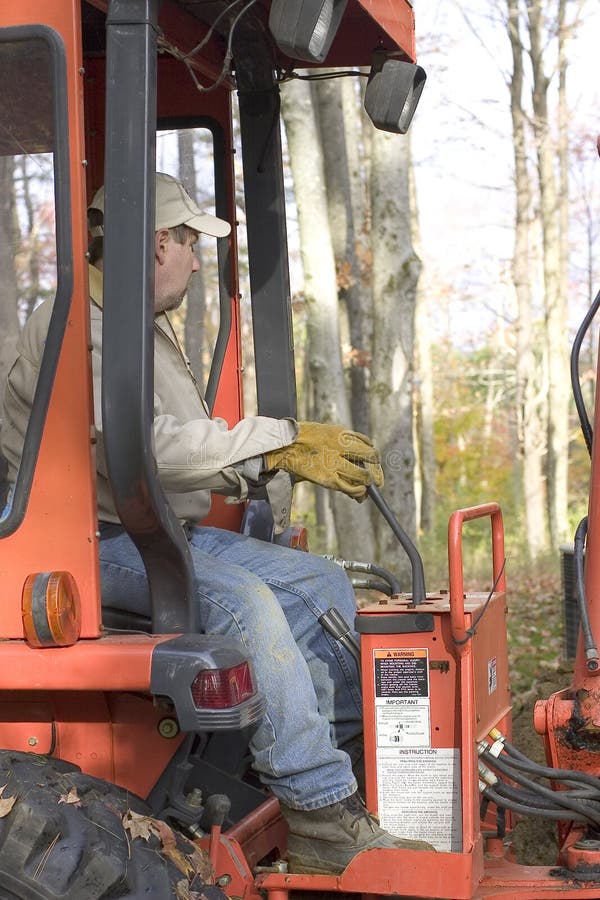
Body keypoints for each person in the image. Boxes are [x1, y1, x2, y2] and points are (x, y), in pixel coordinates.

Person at [1, 173, 432, 874]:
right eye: (193, 246)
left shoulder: (135, 326)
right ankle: (320, 815)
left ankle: (341, 772)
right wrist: (278, 440)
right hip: (83, 544)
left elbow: (184, 445)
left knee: (319, 581)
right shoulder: (75, 327)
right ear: (158, 242)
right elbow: (148, 447)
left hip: (150, 529)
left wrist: (268, 464)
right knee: (247, 604)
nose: (200, 264)